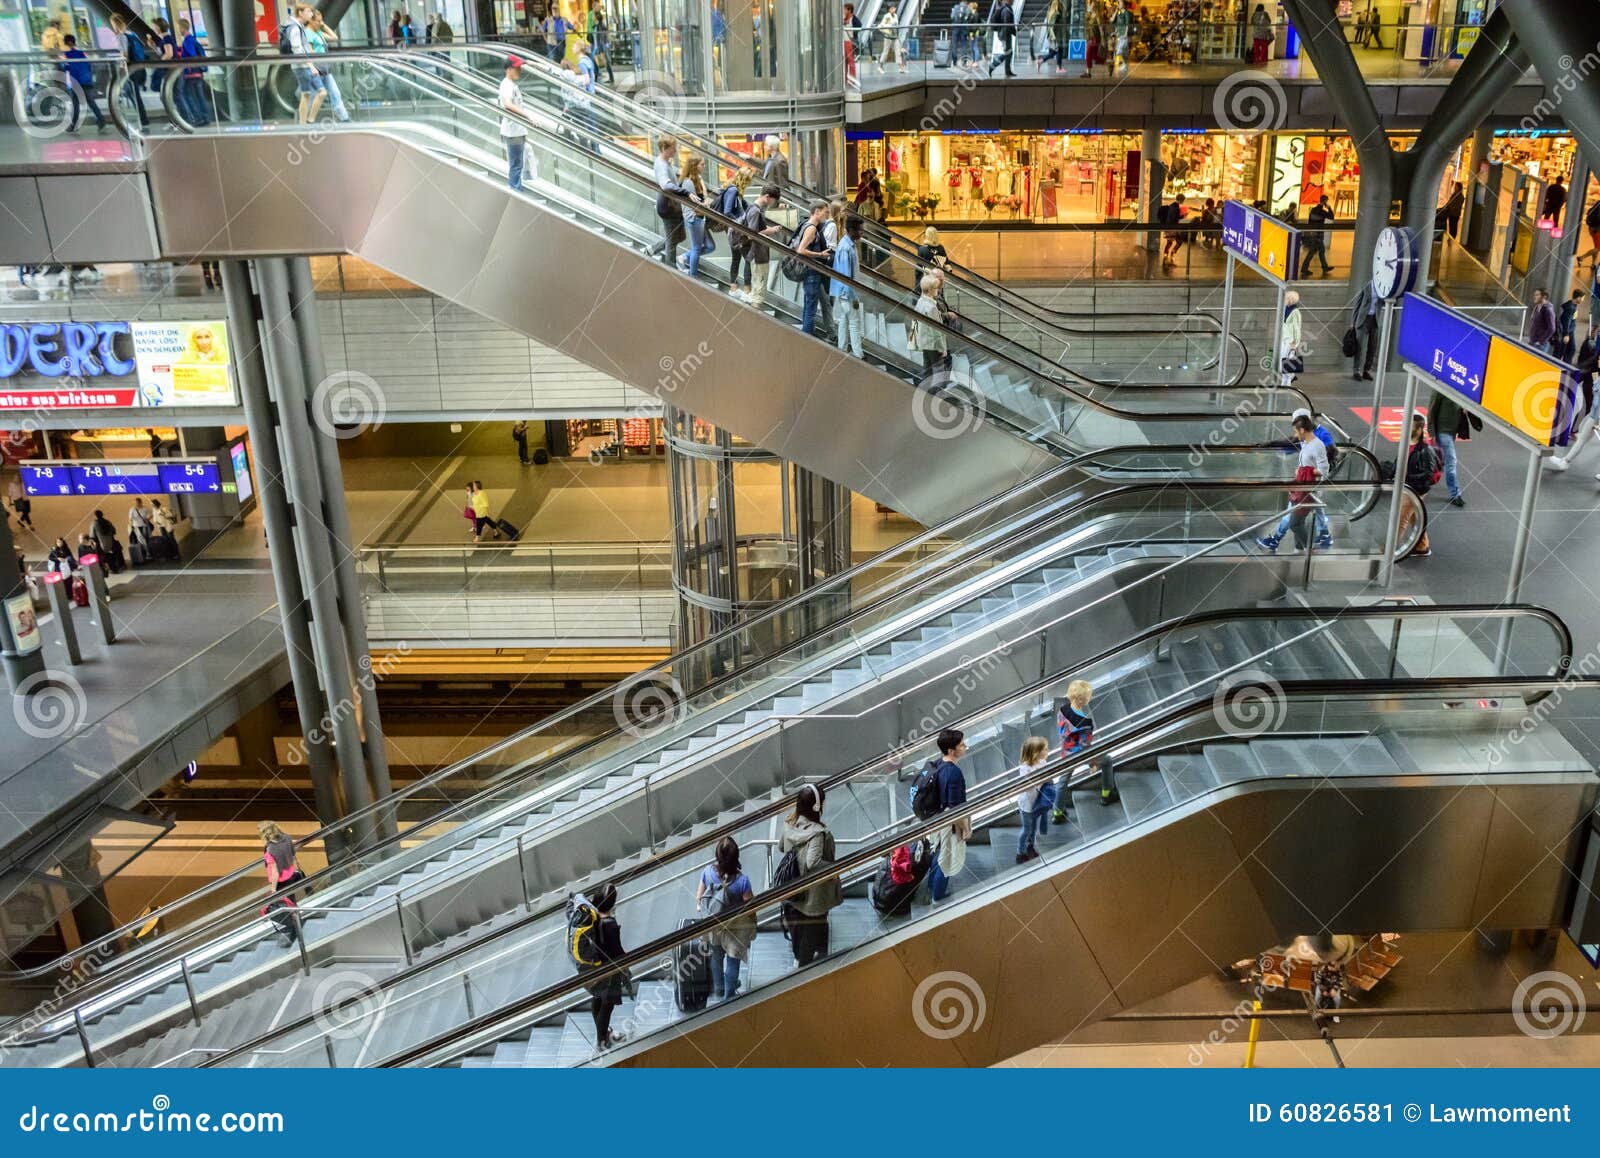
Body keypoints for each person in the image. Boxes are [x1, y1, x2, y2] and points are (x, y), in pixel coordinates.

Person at [778, 783, 842, 966]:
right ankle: (807, 964)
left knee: (799, 927)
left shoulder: (789, 824)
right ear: (816, 806)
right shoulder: (817, 834)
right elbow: (812, 863)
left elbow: (781, 847)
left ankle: (802, 956)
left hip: (792, 887)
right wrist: (833, 870)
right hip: (813, 895)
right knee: (813, 926)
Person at [1257, 410, 1334, 551]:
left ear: (1303, 428)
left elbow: (1329, 460)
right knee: (1309, 511)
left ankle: (1277, 540)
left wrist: (1307, 471)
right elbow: (1291, 442)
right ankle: (1317, 537)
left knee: (1293, 515)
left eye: (1296, 430)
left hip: (1311, 484)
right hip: (1305, 483)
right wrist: (1270, 444)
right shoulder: (1306, 440)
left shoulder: (1320, 439)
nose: (1295, 435)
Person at [694, 836, 755, 1001]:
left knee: (716, 957)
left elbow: (699, 898)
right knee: (733, 960)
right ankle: (729, 995)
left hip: (714, 926)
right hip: (734, 929)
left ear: (717, 856)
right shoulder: (742, 881)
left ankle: (719, 988)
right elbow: (750, 907)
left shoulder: (707, 873)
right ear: (736, 857)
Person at [580, 882, 628, 1049]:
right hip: (609, 970)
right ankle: (602, 1041)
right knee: (607, 1006)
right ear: (612, 903)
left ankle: (603, 1034)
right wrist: (626, 965)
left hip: (594, 967)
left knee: (598, 998)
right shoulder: (610, 924)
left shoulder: (592, 916)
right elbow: (617, 950)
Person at [1549, 323, 1600, 473]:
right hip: (1595, 411)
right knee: (1583, 436)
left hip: (1597, 411)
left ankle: (1565, 461)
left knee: (1585, 434)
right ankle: (1565, 461)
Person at [926, 728, 970, 902]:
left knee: (939, 853)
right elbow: (954, 809)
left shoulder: (939, 763)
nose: (965, 746)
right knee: (947, 860)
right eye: (962, 745)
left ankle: (931, 885)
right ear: (951, 750)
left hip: (938, 817)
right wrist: (965, 829)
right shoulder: (954, 772)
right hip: (949, 822)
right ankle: (938, 895)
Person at [732, 184, 783, 308]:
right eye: (773, 200)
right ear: (767, 196)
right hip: (758, 253)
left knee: (758, 288)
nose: (773, 203)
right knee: (759, 290)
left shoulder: (752, 208)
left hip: (756, 253)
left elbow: (755, 230)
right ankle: (756, 313)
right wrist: (771, 231)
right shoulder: (755, 211)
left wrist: (768, 229)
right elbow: (751, 235)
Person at [258, 821, 308, 946]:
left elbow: (275, 871)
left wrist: (273, 889)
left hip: (281, 882)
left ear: (265, 834)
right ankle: (297, 927)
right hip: (291, 876)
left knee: (284, 908)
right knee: (292, 903)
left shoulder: (270, 850)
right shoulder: (286, 838)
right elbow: (293, 850)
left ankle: (295, 932)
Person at [1427, 389, 1479, 505]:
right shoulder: (1439, 389)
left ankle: (1424, 479)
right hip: (1443, 432)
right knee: (1451, 462)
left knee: (1441, 460)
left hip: (1451, 432)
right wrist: (1432, 433)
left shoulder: (1459, 391)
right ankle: (1455, 494)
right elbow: (1432, 411)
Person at [1399, 412, 1438, 559]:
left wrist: (1408, 478)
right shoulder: (1407, 444)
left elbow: (1429, 474)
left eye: (1410, 426)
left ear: (1419, 430)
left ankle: (1386, 550)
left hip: (1415, 489)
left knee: (1401, 520)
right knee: (1415, 517)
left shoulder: (1426, 450)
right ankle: (1422, 546)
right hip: (1407, 486)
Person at [828, 217, 865, 358]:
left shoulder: (849, 245)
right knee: (854, 323)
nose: (862, 233)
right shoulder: (846, 248)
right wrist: (853, 297)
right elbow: (845, 276)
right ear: (851, 230)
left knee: (844, 321)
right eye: (860, 230)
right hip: (847, 293)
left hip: (845, 292)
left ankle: (842, 349)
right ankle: (858, 354)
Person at [1014, 735, 1054, 862]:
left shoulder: (1043, 762)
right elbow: (1026, 786)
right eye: (1045, 749)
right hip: (1027, 805)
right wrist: (1041, 779)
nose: (1048, 751)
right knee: (1027, 829)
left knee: (1033, 829)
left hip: (1037, 802)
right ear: (1036, 753)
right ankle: (1020, 852)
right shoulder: (1025, 768)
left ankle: (1030, 846)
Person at [283, 5, 326, 124]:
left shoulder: (299, 26)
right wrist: (311, 65)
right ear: (300, 13)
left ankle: (308, 121)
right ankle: (303, 124)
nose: (311, 14)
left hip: (306, 65)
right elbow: (297, 49)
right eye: (308, 12)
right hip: (301, 66)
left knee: (320, 93)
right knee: (306, 94)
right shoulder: (294, 27)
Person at [307, 11, 351, 124]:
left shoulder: (318, 32)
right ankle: (306, 122)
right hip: (316, 71)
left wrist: (323, 25)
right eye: (318, 21)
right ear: (311, 20)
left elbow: (334, 37)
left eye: (321, 20)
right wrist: (315, 66)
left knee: (335, 93)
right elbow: (309, 53)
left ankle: (345, 119)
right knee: (312, 98)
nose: (320, 23)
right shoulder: (308, 33)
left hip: (325, 70)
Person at [795, 199, 831, 335]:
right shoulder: (811, 228)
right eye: (825, 212)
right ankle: (807, 337)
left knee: (808, 306)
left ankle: (805, 334)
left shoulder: (806, 225)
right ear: (817, 211)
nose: (827, 215)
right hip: (811, 273)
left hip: (809, 273)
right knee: (811, 309)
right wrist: (820, 254)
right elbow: (801, 250)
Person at [57, 36, 106, 133]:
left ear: (69, 43)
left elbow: (65, 68)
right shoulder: (82, 53)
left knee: (75, 104)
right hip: (86, 80)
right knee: (91, 102)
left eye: (65, 43)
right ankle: (101, 120)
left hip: (76, 81)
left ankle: (74, 126)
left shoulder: (67, 55)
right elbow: (88, 65)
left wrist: (60, 61)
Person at [676, 155, 713, 278]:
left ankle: (683, 257)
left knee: (710, 246)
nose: (704, 166)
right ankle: (693, 277)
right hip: (694, 218)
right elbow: (695, 206)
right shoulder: (688, 183)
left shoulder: (697, 180)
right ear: (694, 166)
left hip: (700, 218)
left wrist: (701, 181)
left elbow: (704, 196)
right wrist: (706, 204)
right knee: (696, 248)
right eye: (702, 164)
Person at [110, 14, 148, 128]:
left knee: (133, 94)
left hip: (130, 68)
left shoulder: (121, 37)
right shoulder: (133, 34)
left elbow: (125, 55)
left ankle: (142, 119)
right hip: (139, 67)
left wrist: (121, 67)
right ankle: (143, 118)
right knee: (134, 93)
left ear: (116, 24)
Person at [499, 56, 530, 192]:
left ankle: (516, 188)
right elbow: (508, 104)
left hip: (516, 130)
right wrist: (527, 116)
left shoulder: (511, 84)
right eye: (517, 68)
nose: (520, 70)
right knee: (516, 164)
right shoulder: (507, 85)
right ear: (509, 69)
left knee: (517, 163)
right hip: (513, 130)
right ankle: (515, 190)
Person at [912, 273, 951, 383]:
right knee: (939, 373)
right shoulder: (932, 307)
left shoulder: (920, 302)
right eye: (935, 288)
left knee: (927, 370)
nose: (937, 290)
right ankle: (937, 391)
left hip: (925, 343)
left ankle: (925, 388)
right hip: (934, 345)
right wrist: (942, 348)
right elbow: (936, 331)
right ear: (930, 290)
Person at [653, 138, 685, 267]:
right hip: (667, 205)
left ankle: (653, 248)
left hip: (672, 204)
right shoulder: (661, 164)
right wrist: (683, 191)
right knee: (672, 239)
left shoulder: (666, 162)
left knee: (680, 236)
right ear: (664, 149)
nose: (675, 151)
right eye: (672, 148)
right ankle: (671, 267)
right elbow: (665, 184)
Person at [175, 20, 210, 127]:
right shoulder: (192, 39)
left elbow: (191, 55)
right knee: (200, 96)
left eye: (179, 28)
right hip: (198, 73)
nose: (179, 30)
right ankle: (205, 117)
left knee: (189, 95)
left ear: (183, 28)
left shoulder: (187, 40)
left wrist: (180, 55)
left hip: (191, 74)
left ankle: (198, 117)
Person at [1350, 276, 1380, 381]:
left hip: (1375, 320)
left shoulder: (1382, 290)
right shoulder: (1366, 286)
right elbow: (1357, 305)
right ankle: (1356, 370)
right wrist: (1353, 322)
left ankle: (1366, 370)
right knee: (1360, 346)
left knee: (1372, 347)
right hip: (1363, 320)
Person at [1299, 195, 1335, 277]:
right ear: (1325, 202)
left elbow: (1309, 222)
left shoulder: (1313, 210)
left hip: (1313, 233)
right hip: (1318, 235)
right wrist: (1329, 208)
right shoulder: (1322, 212)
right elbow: (1331, 217)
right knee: (1313, 252)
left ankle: (1324, 267)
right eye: (1326, 201)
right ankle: (1305, 269)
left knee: (1320, 250)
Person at [1279, 288, 1304, 386]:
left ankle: (1287, 381)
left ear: (1290, 300)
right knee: (1282, 360)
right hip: (1283, 339)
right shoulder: (1285, 309)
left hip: (1290, 340)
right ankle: (1290, 377)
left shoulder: (1295, 312)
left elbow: (1297, 328)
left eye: (1286, 298)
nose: (1284, 300)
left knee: (1287, 361)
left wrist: (1295, 342)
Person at [986, 0, 1016, 76]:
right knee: (1007, 53)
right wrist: (1013, 31)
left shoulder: (1006, 8)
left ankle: (1007, 71)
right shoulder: (1006, 10)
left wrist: (1013, 31)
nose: (1013, 1)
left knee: (1009, 52)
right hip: (1005, 34)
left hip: (1005, 33)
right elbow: (1007, 24)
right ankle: (992, 65)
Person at [587, 0, 614, 83]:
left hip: (600, 45)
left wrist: (603, 45)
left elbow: (602, 37)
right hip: (596, 45)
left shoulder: (600, 25)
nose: (599, 7)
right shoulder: (593, 19)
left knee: (605, 61)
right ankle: (596, 77)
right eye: (598, 6)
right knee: (595, 60)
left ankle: (609, 77)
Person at [1558, 289, 1586, 362]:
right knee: (1562, 351)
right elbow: (1566, 321)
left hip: (1570, 331)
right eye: (1582, 298)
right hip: (1567, 332)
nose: (1583, 300)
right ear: (1578, 298)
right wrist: (1566, 334)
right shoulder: (1570, 307)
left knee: (1571, 349)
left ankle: (1565, 364)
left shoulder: (1573, 305)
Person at [1159, 193, 1187, 264]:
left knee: (1170, 243)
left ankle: (1166, 257)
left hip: (1168, 227)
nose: (1183, 202)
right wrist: (1183, 216)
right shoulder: (1176, 207)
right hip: (1172, 228)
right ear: (1181, 200)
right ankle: (1171, 256)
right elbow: (1175, 218)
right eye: (1183, 200)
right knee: (1178, 242)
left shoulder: (1172, 205)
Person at [877, 3, 905, 72]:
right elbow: (882, 25)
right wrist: (889, 26)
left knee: (898, 52)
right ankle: (880, 66)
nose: (893, 9)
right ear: (889, 9)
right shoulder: (886, 16)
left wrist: (897, 35)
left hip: (895, 36)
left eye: (894, 8)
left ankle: (901, 67)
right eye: (892, 8)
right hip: (888, 37)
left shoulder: (896, 16)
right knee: (885, 52)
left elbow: (897, 26)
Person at [1528, 287, 1557, 353]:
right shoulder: (1537, 306)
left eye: (1537, 295)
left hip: (1540, 345)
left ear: (1544, 297)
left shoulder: (1548, 310)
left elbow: (1552, 328)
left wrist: (1540, 341)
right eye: (1534, 295)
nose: (1534, 297)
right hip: (1533, 341)